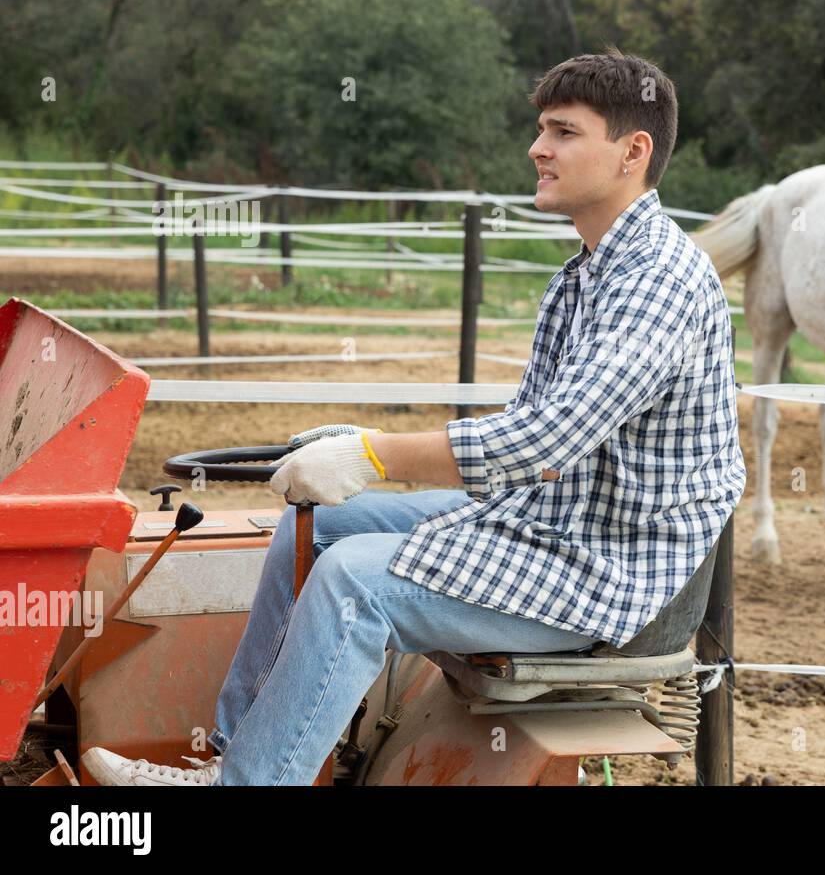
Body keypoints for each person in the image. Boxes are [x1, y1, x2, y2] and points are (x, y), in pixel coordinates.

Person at [83, 48, 746, 785]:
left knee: (352, 582)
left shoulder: (656, 280)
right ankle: (234, 757)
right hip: (552, 522)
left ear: (633, 151)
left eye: (563, 132)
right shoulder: (588, 273)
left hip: (606, 568)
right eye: (542, 129)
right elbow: (539, 436)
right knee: (312, 531)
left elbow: (546, 441)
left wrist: (370, 454)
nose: (537, 147)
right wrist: (350, 448)